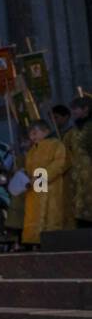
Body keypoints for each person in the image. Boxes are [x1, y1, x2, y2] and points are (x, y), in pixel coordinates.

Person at [21, 121, 69, 247]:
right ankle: (35, 240)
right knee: (35, 214)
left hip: (51, 186)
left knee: (50, 214)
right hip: (36, 188)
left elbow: (61, 162)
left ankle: (52, 241)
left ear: (46, 131)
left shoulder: (56, 145)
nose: (32, 136)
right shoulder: (32, 151)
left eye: (35, 133)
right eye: (30, 134)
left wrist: (40, 177)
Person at [62, 96, 92, 229]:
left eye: (76, 109)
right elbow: (65, 149)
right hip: (77, 173)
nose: (73, 112)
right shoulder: (72, 131)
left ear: (86, 109)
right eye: (72, 109)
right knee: (80, 202)